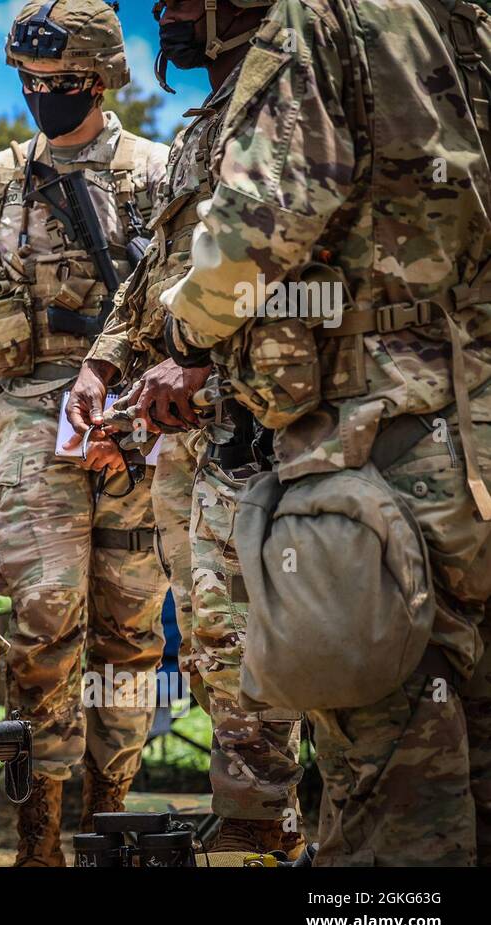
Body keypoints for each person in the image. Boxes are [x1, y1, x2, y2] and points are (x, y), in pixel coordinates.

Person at [161, 0, 491, 866]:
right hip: (476, 431)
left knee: (384, 774)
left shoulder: (327, 17)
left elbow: (260, 228)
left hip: (377, 448)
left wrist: (184, 332)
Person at [0, 0, 169, 865]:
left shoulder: (163, 177)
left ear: (103, 79)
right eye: (31, 80)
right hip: (30, 423)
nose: (45, 94)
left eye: (64, 82)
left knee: (131, 634)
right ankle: (40, 834)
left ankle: (112, 821)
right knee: (43, 620)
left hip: (140, 429)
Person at [68, 0, 306, 858]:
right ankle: (254, 828)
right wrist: (103, 363)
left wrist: (199, 355)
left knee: (318, 637)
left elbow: (285, 244)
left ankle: (354, 856)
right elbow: (161, 272)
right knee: (217, 636)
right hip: (208, 434)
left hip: (292, 421)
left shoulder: (292, 92)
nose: (164, 18)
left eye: (180, 2)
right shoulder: (208, 122)